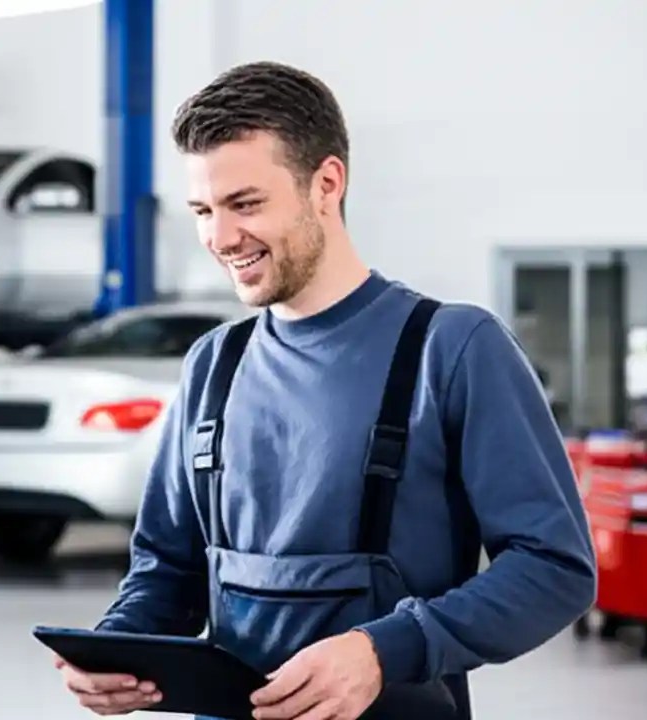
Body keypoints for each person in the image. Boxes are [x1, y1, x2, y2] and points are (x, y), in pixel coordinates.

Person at [54, 61, 596, 719]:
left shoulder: (452, 349)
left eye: (246, 204)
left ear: (326, 184)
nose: (221, 238)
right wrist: (122, 646)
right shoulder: (211, 367)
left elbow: (554, 569)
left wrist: (384, 650)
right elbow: (167, 570)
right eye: (205, 210)